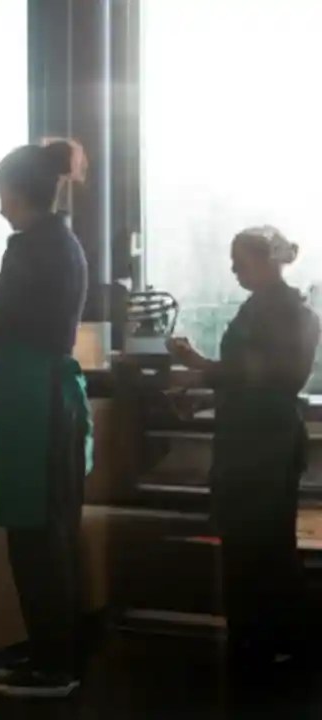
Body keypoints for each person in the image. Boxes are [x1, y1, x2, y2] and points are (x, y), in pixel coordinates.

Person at [0, 139, 91, 698]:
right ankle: (61, 656)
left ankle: (50, 664)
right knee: (54, 533)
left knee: (33, 537)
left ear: (16, 193)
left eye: (0, 195)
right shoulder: (65, 244)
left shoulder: (28, 248)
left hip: (30, 399)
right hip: (51, 396)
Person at [168, 226, 320, 674]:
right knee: (255, 545)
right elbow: (248, 379)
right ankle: (267, 643)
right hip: (253, 440)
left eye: (241, 260)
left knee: (259, 547)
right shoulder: (269, 310)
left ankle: (263, 643)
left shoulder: (290, 313)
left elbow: (267, 375)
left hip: (263, 445)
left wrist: (199, 368)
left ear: (266, 260)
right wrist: (203, 393)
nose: (233, 269)